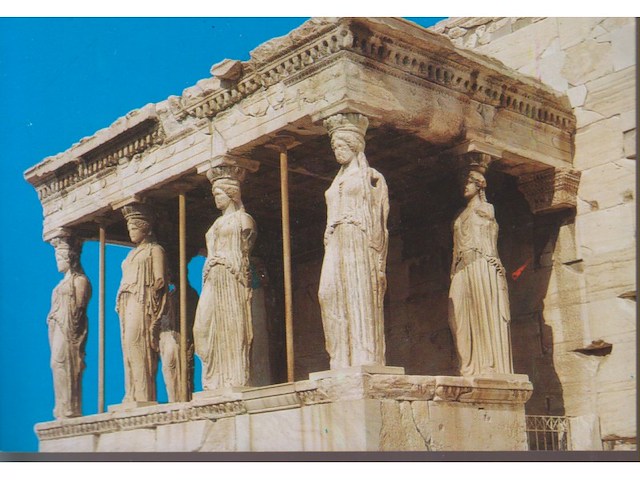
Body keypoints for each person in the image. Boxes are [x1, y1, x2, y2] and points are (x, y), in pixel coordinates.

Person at [318, 113, 389, 369]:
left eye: (341, 146)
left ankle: (364, 357)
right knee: (328, 294)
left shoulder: (371, 177)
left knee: (359, 294)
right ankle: (340, 357)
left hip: (358, 239)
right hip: (335, 240)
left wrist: (376, 256)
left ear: (354, 145)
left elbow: (380, 218)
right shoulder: (336, 180)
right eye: (334, 146)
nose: (337, 151)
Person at [193, 171, 256, 390]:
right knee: (202, 327)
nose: (216, 199)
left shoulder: (244, 220)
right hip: (212, 276)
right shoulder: (216, 224)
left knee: (232, 325)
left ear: (231, 194)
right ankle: (214, 379)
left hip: (231, 277)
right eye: (215, 194)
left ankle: (233, 378)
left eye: (219, 194)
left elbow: (245, 250)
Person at [448, 169, 513, 376]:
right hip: (461, 266)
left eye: (469, 182)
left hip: (480, 262)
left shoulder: (486, 208)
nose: (464, 186)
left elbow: (489, 232)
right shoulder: (460, 215)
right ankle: (467, 366)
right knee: (456, 315)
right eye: (464, 183)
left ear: (479, 185)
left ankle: (488, 365)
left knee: (483, 310)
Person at [116, 204, 167, 402]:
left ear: (145, 228)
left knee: (135, 342)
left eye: (134, 228)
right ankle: (132, 393)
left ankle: (144, 394)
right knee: (127, 346)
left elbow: (160, 279)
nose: (131, 232)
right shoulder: (131, 254)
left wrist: (153, 301)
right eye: (129, 228)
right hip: (126, 301)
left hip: (142, 299)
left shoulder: (155, 250)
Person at [47, 234, 91, 419]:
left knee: (65, 364)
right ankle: (62, 406)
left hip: (69, 330)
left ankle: (71, 406)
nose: (57, 262)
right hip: (57, 328)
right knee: (55, 364)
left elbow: (79, 309)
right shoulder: (60, 284)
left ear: (70, 259)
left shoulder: (80, 281)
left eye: (60, 258)